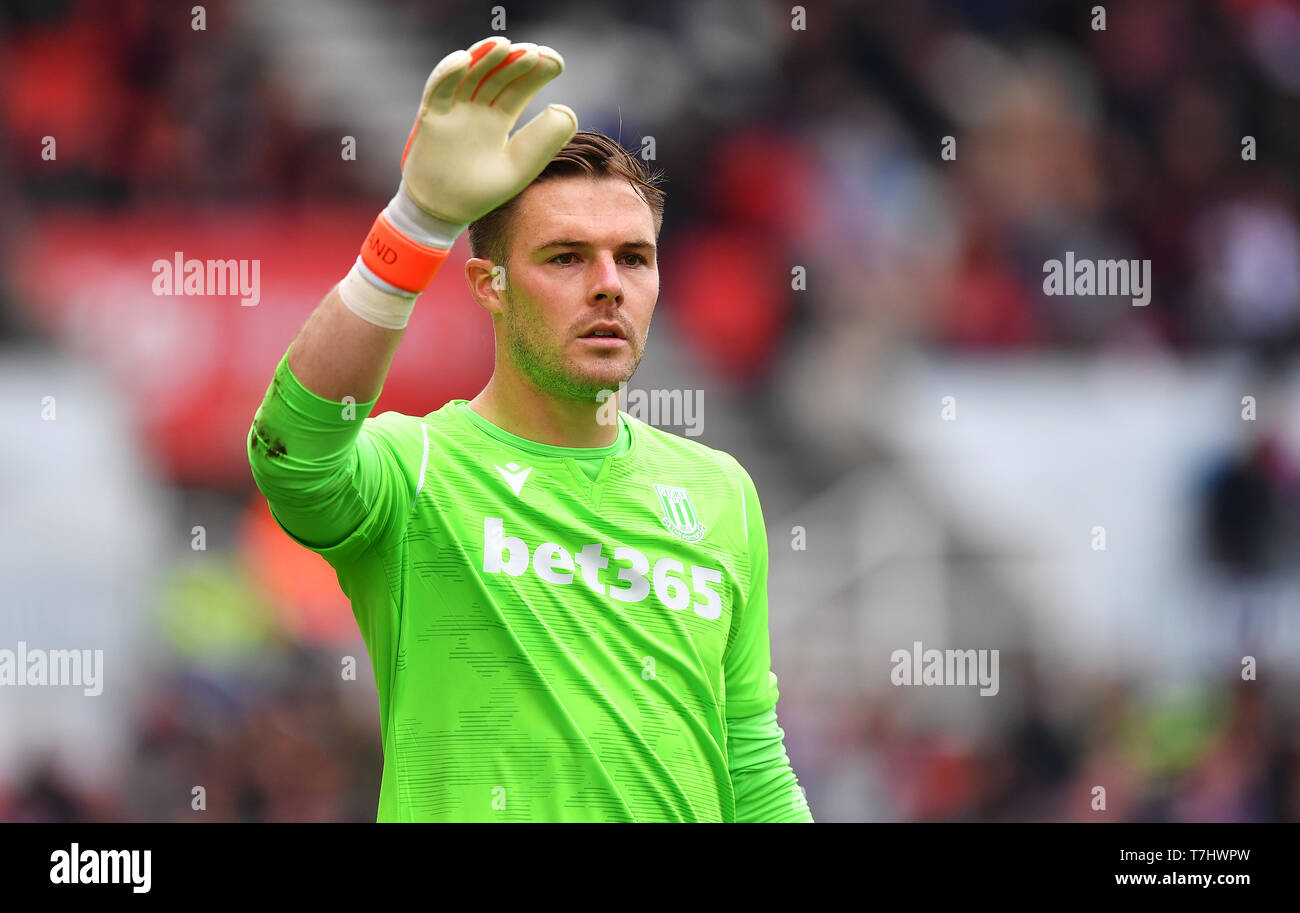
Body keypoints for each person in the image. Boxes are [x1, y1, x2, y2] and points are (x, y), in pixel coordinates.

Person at [247, 34, 812, 822]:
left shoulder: (720, 491)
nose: (610, 285)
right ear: (490, 286)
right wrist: (414, 225)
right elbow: (290, 453)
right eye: (567, 258)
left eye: (634, 258)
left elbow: (750, 761)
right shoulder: (418, 471)